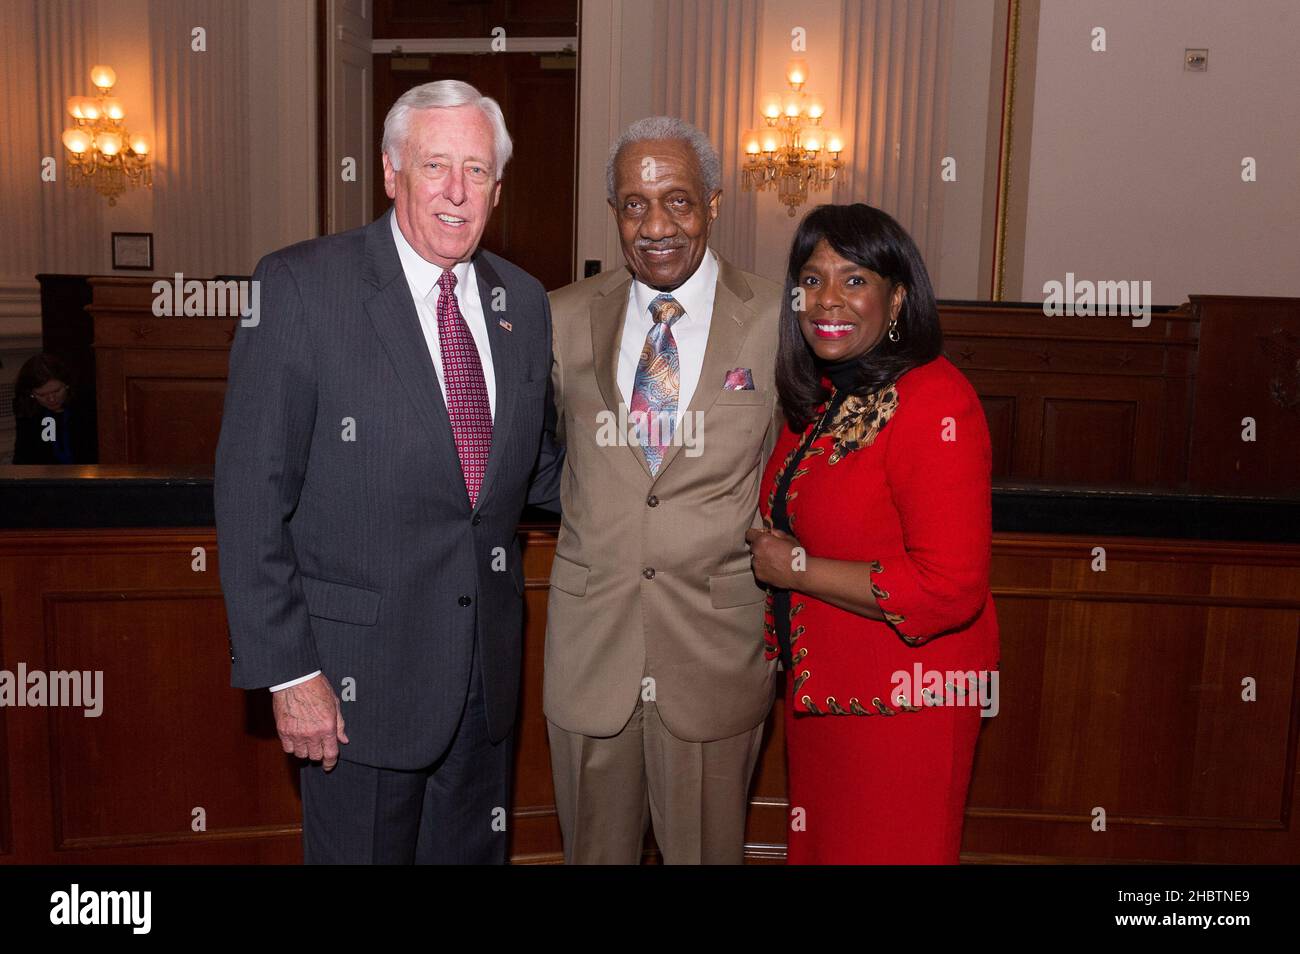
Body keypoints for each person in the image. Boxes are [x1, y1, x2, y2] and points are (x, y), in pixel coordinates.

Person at [215, 79, 562, 864]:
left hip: (482, 688)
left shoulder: (526, 302)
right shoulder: (301, 287)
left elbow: (534, 471)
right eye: (434, 164)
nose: (455, 191)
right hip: (349, 687)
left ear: (497, 188)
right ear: (389, 170)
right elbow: (249, 497)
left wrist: (659, 461)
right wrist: (289, 673)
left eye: (477, 171)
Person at [544, 116, 781, 864]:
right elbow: (533, 457)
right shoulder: (560, 317)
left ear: (713, 202)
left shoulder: (780, 320)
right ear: (613, 212)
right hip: (591, 651)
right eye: (633, 205)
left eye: (677, 201)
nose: (656, 226)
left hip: (714, 650)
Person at [746, 203, 999, 864]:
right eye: (812, 278)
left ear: (898, 299)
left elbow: (949, 588)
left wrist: (792, 569)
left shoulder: (936, 402)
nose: (828, 298)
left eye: (854, 280)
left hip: (905, 708)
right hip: (825, 696)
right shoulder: (828, 395)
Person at [11, 353, 97, 464]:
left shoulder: (87, 403)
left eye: (57, 391)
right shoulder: (28, 410)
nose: (51, 399)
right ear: (30, 393)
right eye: (42, 395)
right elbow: (23, 456)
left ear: (67, 384)